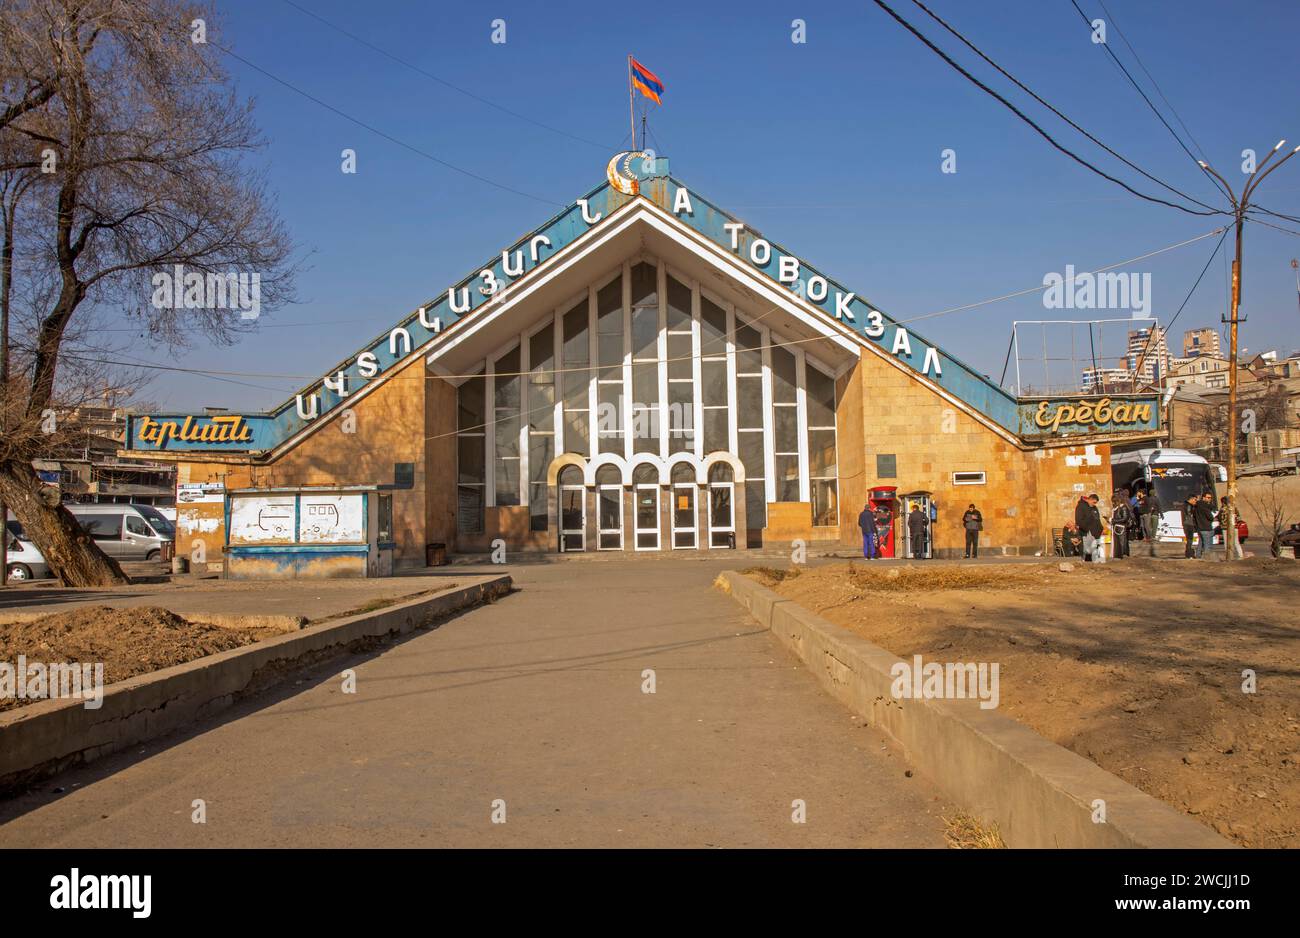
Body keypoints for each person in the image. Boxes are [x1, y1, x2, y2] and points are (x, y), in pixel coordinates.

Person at [1075, 493, 1103, 562]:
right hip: (1086, 532)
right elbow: (1079, 520)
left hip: (1096, 533)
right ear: (1090, 499)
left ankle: (1094, 565)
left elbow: (1097, 518)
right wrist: (1087, 529)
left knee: (1094, 552)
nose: (1094, 504)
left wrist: (1100, 528)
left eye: (1096, 503)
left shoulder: (1094, 507)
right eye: (1094, 502)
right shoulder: (1081, 506)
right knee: (1087, 551)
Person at [1110, 493, 1133, 559]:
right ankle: (1119, 555)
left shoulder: (1123, 507)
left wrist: (1114, 520)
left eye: (1114, 501)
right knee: (1118, 543)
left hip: (1121, 528)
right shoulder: (1118, 508)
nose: (1113, 503)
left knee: (1122, 542)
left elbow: (1125, 518)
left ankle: (1123, 555)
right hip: (1117, 528)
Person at [1194, 492, 1216, 559]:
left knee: (1200, 543)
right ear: (1203, 497)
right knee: (1207, 544)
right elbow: (1210, 517)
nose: (1210, 499)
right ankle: (1206, 558)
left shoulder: (1197, 506)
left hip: (1199, 528)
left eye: (1211, 498)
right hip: (1206, 528)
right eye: (1208, 497)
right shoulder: (1204, 506)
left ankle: (1198, 556)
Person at [1143, 488, 1162, 556]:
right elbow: (1159, 507)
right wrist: (1162, 515)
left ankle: (1149, 536)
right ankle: (1153, 537)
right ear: (1154, 493)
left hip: (1149, 514)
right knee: (1155, 526)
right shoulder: (1156, 499)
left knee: (1149, 526)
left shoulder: (1148, 499)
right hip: (1155, 514)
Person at [1180, 495, 1199, 559]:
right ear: (1192, 499)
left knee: (1189, 540)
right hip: (1189, 524)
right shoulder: (1189, 506)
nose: (1195, 501)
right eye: (1195, 500)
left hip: (1186, 524)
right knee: (1190, 540)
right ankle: (1189, 554)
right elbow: (1189, 513)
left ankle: (1188, 553)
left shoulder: (1184, 505)